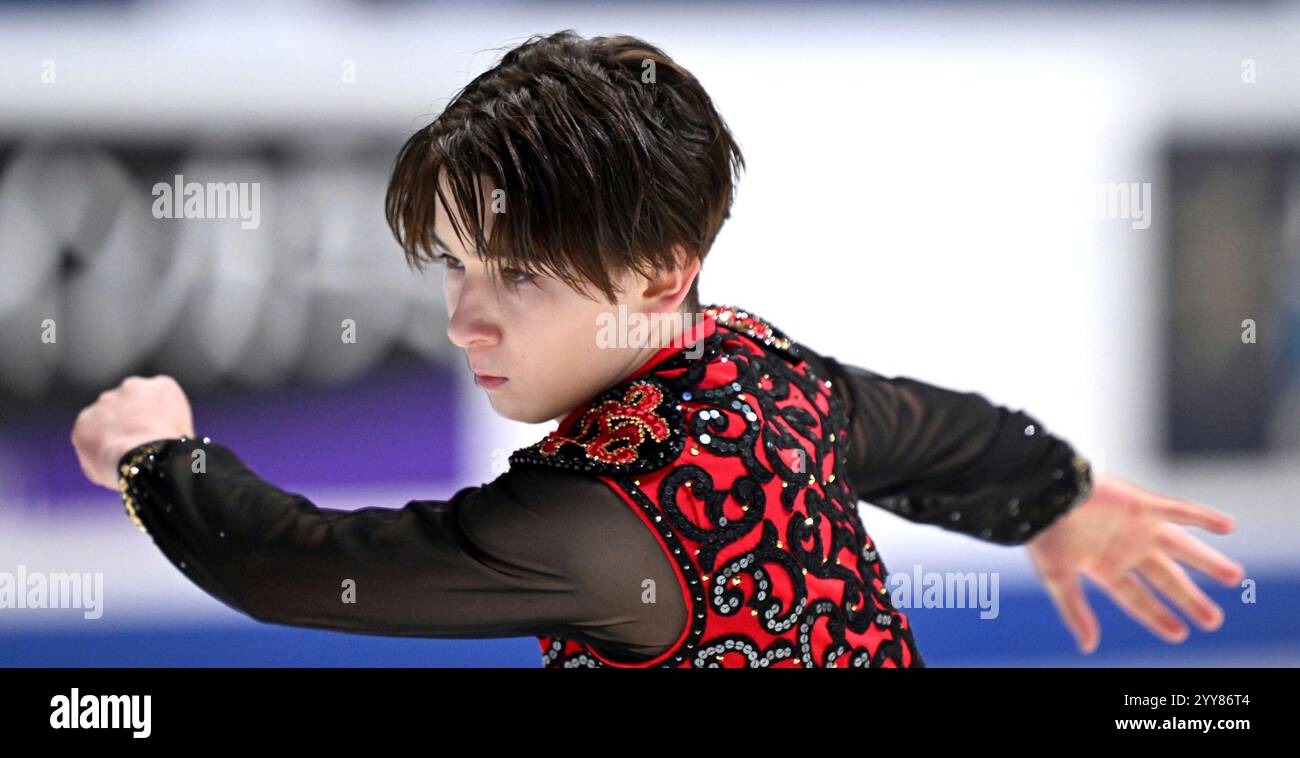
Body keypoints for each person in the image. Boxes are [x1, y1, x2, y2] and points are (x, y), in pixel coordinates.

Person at [70, 30, 1245, 668]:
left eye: (516, 275)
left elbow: (295, 565)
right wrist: (1055, 497)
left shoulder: (594, 521)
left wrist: (154, 457)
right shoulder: (763, 374)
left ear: (661, 271)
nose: (461, 319)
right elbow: (943, 433)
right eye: (452, 265)